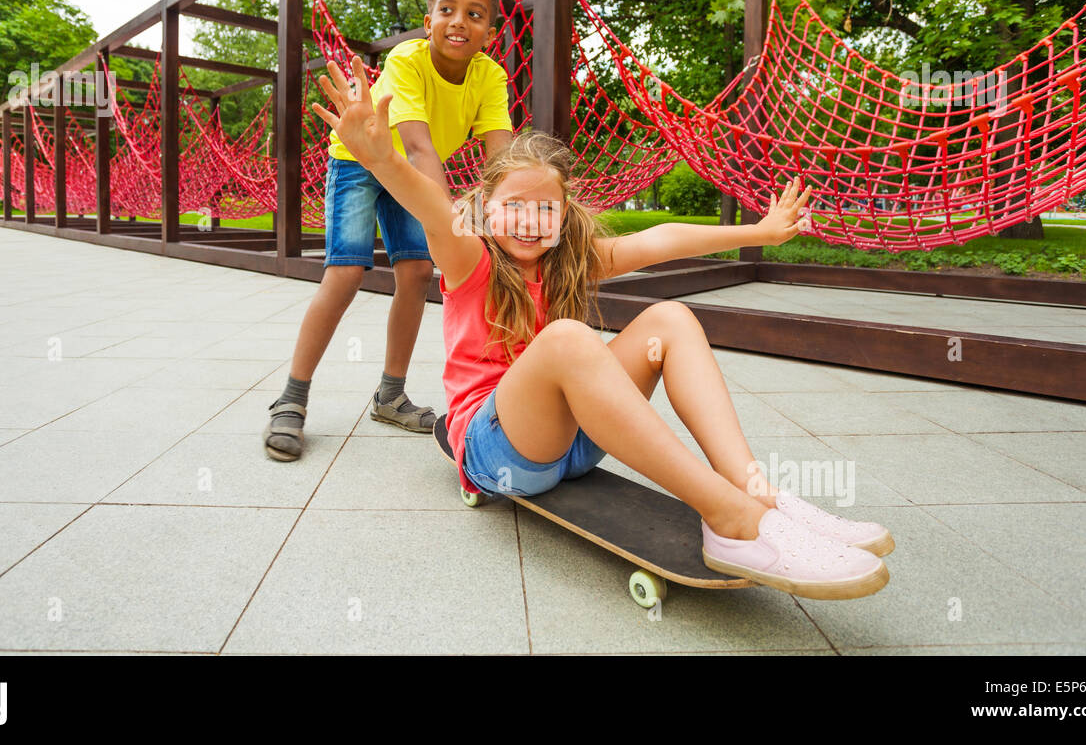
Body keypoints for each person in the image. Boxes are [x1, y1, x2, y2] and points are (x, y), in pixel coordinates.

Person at [310, 54, 894, 601]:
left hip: (576, 446)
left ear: (565, 218)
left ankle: (754, 491)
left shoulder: (572, 258)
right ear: (487, 208)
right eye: (514, 205)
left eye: (547, 209)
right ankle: (733, 521)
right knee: (565, 338)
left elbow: (660, 240)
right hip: (502, 454)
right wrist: (380, 158)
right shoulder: (470, 259)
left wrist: (759, 233)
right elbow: (430, 206)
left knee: (670, 318)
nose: (530, 221)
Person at [263, 0, 514, 462]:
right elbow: (420, 149)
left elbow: (500, 158)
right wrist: (456, 228)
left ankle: (390, 396)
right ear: (428, 21)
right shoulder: (406, 60)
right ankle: (291, 398)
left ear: (490, 31)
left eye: (474, 13)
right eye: (447, 10)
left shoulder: (490, 76)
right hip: (359, 161)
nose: (459, 21)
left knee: (418, 271)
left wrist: (502, 221)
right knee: (347, 273)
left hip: (405, 173)